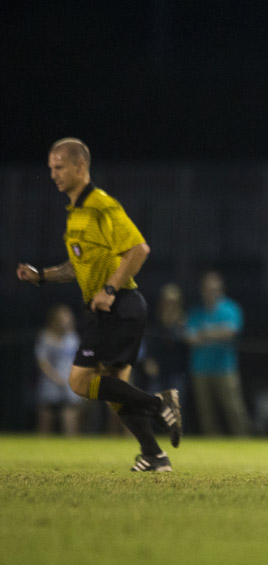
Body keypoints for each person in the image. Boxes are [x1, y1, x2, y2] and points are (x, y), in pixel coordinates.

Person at [16, 138, 182, 471]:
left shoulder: (101, 205)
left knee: (78, 382)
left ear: (80, 166)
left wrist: (108, 289)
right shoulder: (76, 213)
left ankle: (159, 402)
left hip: (118, 305)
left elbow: (138, 249)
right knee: (115, 389)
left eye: (59, 167)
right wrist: (42, 276)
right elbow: (76, 265)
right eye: (50, 168)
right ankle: (154, 455)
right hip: (112, 307)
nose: (53, 174)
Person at [186, 270, 250, 435]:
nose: (210, 292)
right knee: (206, 412)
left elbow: (231, 331)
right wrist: (216, 333)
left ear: (221, 289)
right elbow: (189, 337)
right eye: (207, 288)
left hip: (225, 368)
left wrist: (205, 334)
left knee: (234, 408)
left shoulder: (231, 308)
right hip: (200, 368)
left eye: (214, 288)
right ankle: (212, 444)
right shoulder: (196, 311)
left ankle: (243, 440)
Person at [34, 304, 83, 435]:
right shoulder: (45, 337)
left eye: (67, 319)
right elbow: (42, 361)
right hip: (50, 382)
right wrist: (56, 378)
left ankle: (72, 447)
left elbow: (79, 359)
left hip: (69, 382)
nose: (65, 322)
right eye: (62, 319)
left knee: (70, 416)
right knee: (46, 416)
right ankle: (41, 447)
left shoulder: (73, 338)